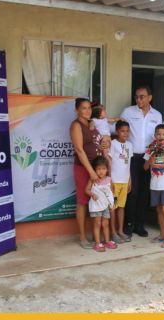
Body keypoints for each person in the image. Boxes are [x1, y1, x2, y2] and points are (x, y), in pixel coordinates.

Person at [120, 86, 163, 238]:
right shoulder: (128, 112)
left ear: (150, 98)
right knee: (132, 191)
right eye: (137, 97)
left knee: (145, 192)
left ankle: (140, 225)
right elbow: (118, 129)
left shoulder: (157, 115)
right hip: (131, 158)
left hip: (148, 158)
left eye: (142, 96)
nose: (139, 99)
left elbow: (159, 136)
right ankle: (129, 224)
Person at [70, 97, 104, 249]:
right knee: (82, 202)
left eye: (89, 108)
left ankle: (93, 235)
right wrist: (91, 171)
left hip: (96, 169)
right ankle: (83, 237)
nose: (87, 110)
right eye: (83, 108)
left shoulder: (91, 124)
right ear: (77, 110)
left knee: (94, 201)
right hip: (84, 169)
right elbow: (79, 150)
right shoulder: (76, 125)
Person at [109, 120, 134, 243]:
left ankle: (120, 231)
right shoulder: (113, 144)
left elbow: (128, 164)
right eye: (122, 131)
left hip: (125, 181)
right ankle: (113, 232)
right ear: (117, 132)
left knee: (121, 207)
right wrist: (110, 180)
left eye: (127, 131)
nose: (125, 133)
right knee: (113, 207)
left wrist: (130, 180)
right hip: (115, 181)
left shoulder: (129, 145)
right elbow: (109, 161)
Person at [86, 156, 117, 252]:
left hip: (106, 206)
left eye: (103, 169)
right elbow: (86, 190)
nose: (101, 171)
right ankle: (97, 243)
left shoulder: (109, 180)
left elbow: (112, 193)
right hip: (96, 207)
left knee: (105, 224)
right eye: (98, 169)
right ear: (94, 169)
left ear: (107, 170)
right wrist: (92, 194)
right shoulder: (93, 180)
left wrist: (113, 204)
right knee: (97, 224)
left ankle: (107, 241)